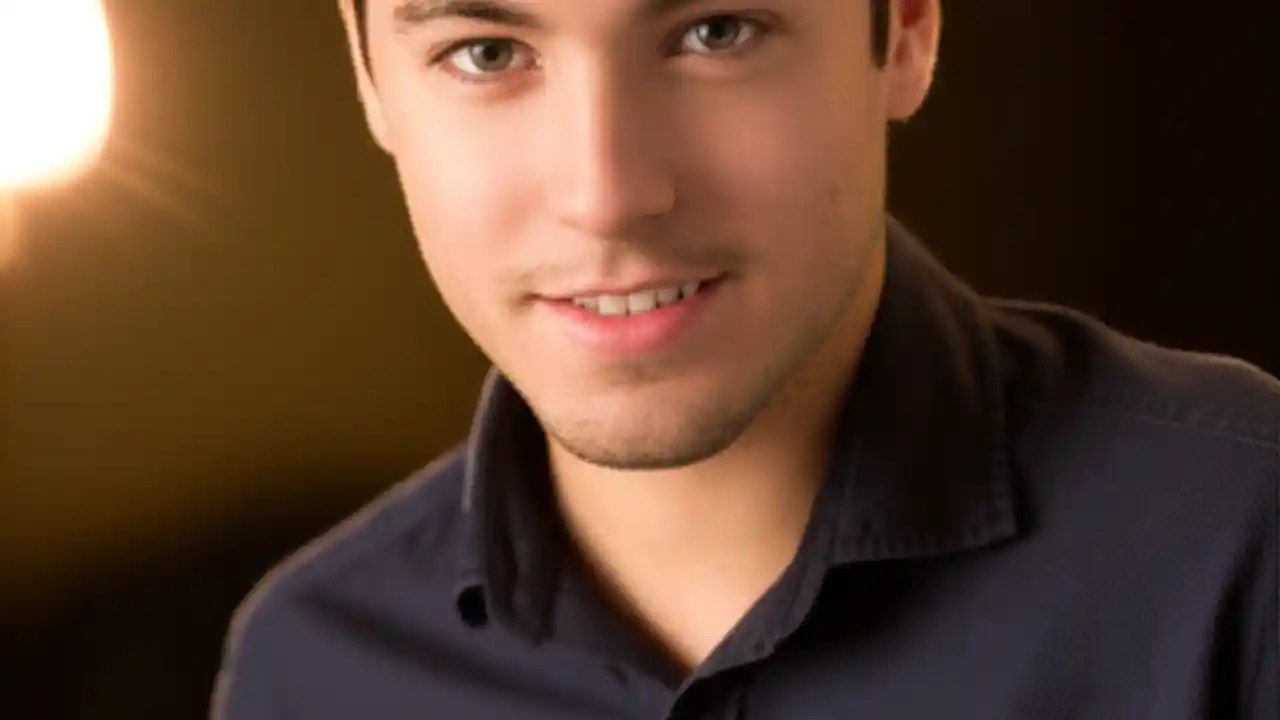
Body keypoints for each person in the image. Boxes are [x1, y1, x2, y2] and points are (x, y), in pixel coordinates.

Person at [213, 0, 1278, 717]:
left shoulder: (1241, 545)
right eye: (485, 53)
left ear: (903, 27)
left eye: (715, 31)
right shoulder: (305, 673)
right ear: (367, 77)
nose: (607, 193)